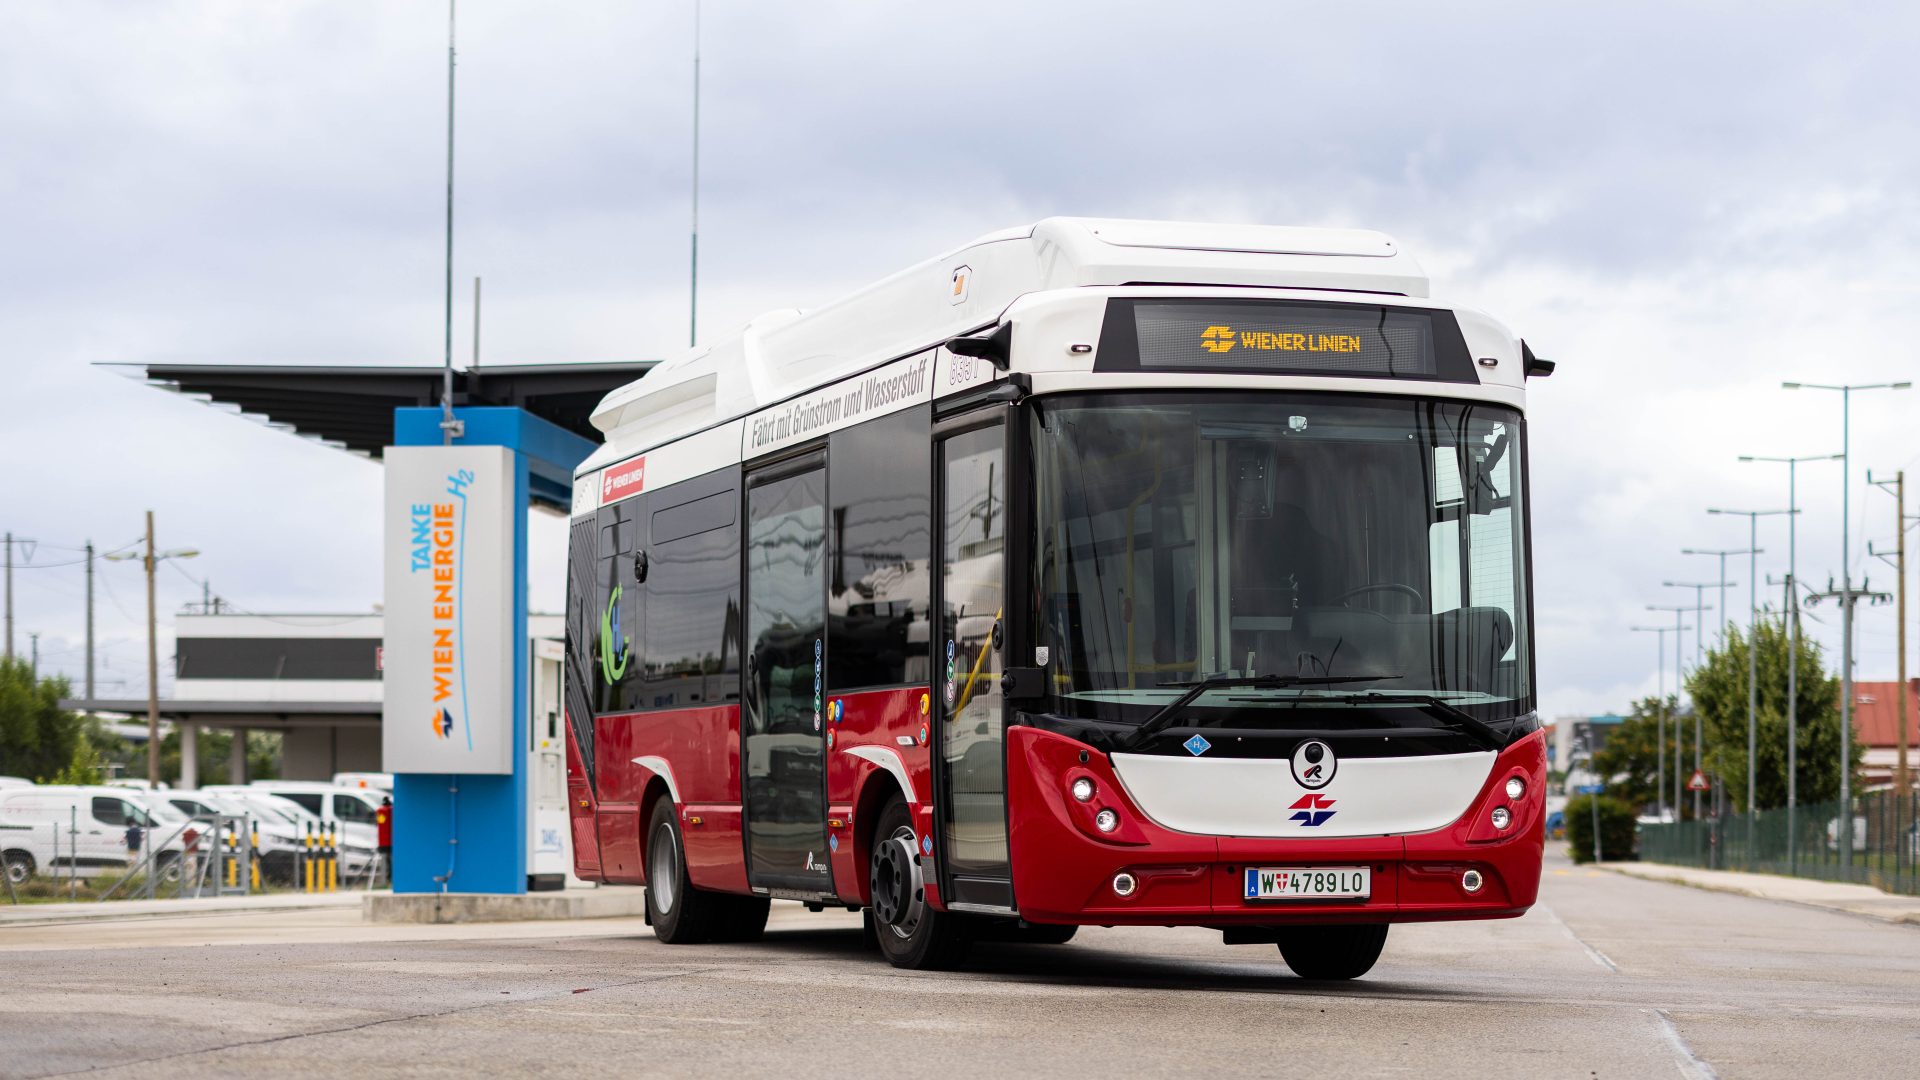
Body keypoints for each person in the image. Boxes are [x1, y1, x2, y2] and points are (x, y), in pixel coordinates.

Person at [375, 796, 393, 885]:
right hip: (388, 841)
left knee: (388, 860)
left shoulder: (383, 811)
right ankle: (387, 879)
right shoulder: (388, 811)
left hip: (385, 841)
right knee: (389, 860)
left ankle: (388, 879)